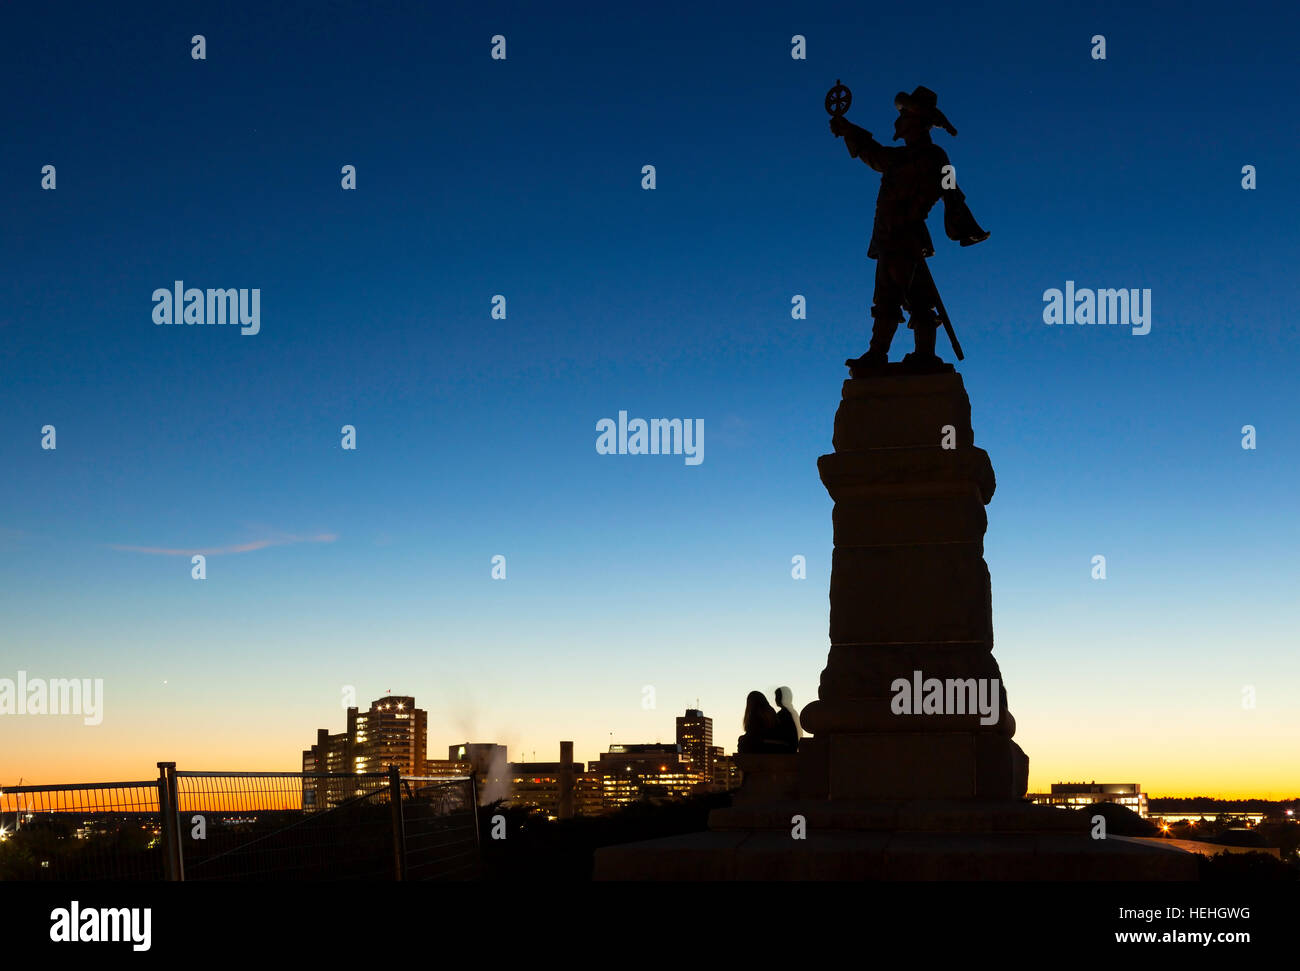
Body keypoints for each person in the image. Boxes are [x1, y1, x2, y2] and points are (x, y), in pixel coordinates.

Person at [830, 86, 989, 370]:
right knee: (918, 298)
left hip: (901, 236)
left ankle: (878, 354)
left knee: (890, 295)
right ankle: (923, 355)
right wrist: (847, 129)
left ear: (915, 122)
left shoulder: (932, 156)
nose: (896, 121)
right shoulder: (910, 156)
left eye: (902, 116)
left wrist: (965, 226)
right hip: (899, 235)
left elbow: (951, 191)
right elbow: (876, 155)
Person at [773, 686, 801, 753]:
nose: (775, 699)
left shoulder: (784, 714)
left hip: (786, 749)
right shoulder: (791, 712)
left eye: (777, 696)